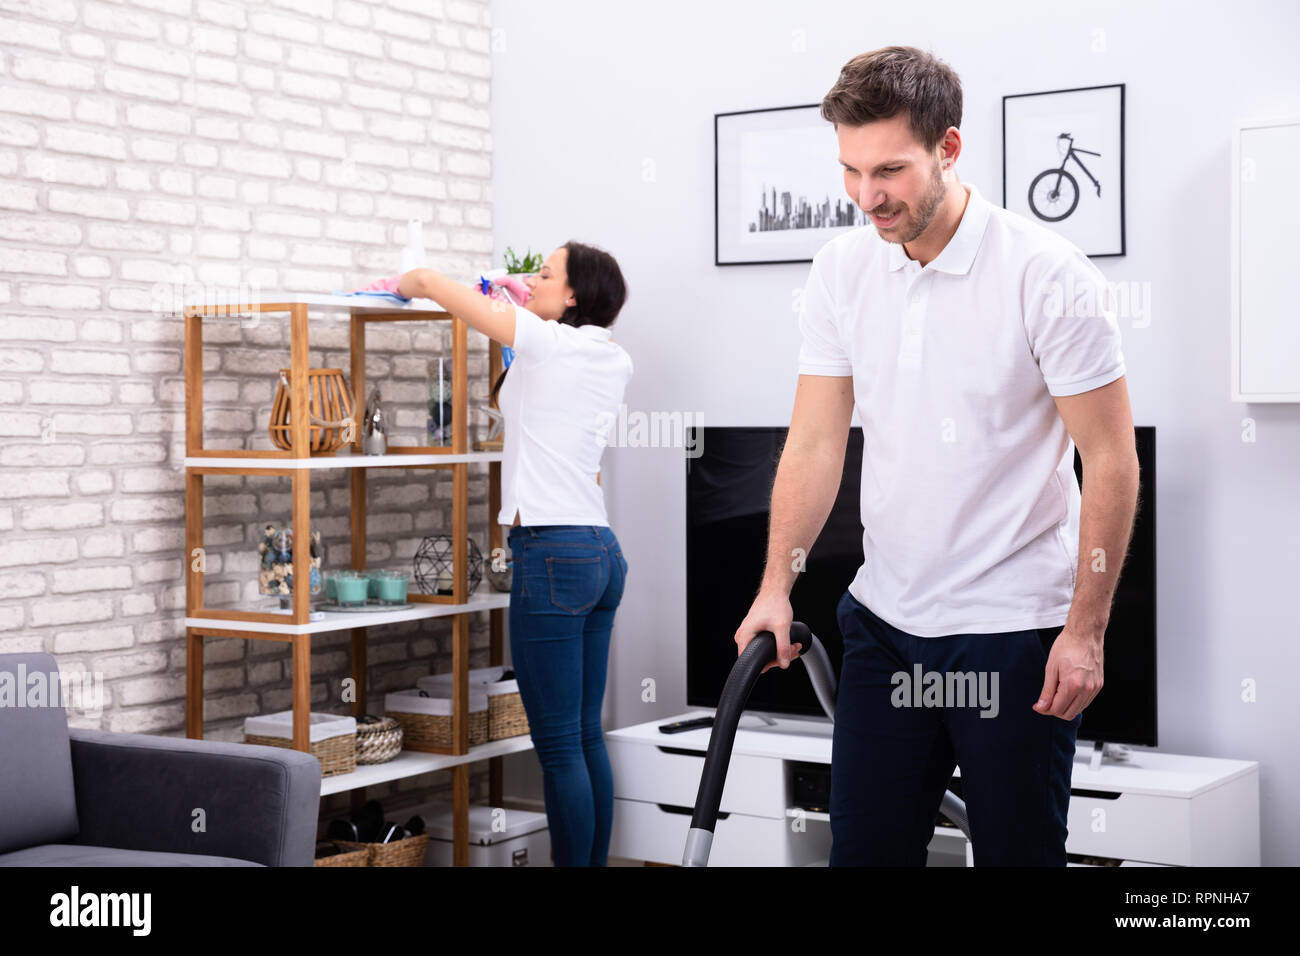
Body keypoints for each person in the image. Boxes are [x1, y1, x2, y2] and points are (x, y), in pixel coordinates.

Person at [732, 46, 1140, 866]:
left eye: (889, 170)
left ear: (949, 149)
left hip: (1013, 633)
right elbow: (815, 441)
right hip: (887, 622)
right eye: (850, 171)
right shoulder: (843, 269)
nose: (866, 196)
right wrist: (777, 586)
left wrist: (1086, 631)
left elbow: (1112, 459)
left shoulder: (1046, 276)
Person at [399, 240, 633, 867]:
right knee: (584, 737)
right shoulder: (605, 356)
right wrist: (515, 309)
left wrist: (415, 278)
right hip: (599, 552)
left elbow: (459, 303)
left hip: (552, 553)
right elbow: (510, 400)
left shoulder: (550, 343)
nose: (533, 281)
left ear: (576, 293)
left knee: (557, 745)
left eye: (546, 274)